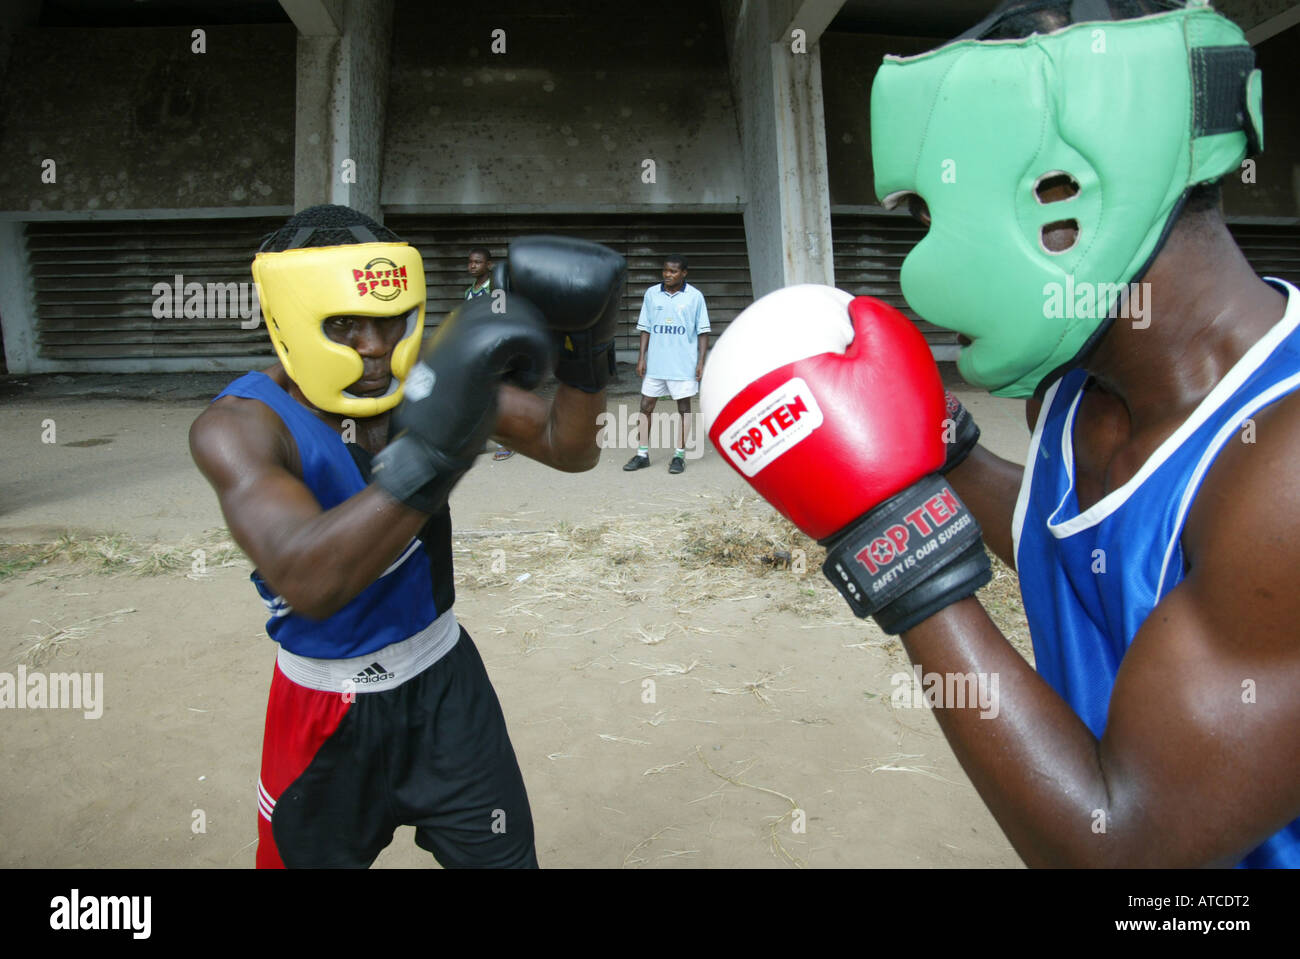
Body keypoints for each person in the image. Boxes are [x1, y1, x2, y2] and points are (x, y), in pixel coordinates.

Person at [702, 0, 1300, 867]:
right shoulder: (1074, 385)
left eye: (932, 216)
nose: (919, 263)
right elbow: (1075, 543)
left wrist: (897, 548)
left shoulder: (1281, 474)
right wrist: (937, 449)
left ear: (1064, 188)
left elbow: (1122, 844)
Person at [189, 205, 625, 868]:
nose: (373, 344)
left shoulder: (421, 373)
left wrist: (586, 352)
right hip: (322, 712)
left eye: (388, 319)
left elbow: (570, 447)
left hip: (445, 686)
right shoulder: (240, 426)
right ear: (290, 318)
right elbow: (309, 578)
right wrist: (441, 449)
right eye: (345, 324)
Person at [624, 255, 709, 474]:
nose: (668, 275)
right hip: (656, 364)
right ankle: (642, 454)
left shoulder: (695, 297)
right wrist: (642, 357)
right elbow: (646, 328)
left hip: (683, 364)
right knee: (646, 406)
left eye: (673, 272)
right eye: (665, 271)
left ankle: (679, 456)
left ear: (684, 273)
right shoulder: (652, 294)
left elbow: (703, 332)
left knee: (683, 408)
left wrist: (700, 362)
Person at [465, 246, 514, 460]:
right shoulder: (469, 291)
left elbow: (501, 319)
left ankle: (507, 442)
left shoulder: (497, 288)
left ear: (489, 265)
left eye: (477, 262)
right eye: (470, 262)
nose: (472, 266)